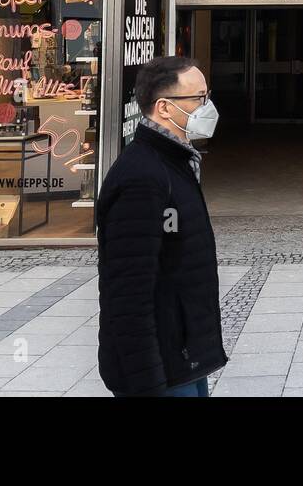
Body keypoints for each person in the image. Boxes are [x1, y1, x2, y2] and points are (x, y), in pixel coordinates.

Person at [97, 56, 226, 397]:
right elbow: (128, 294)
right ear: (165, 108)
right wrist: (148, 383)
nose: (207, 106)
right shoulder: (143, 178)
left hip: (183, 358)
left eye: (206, 95)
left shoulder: (175, 162)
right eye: (198, 98)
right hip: (162, 372)